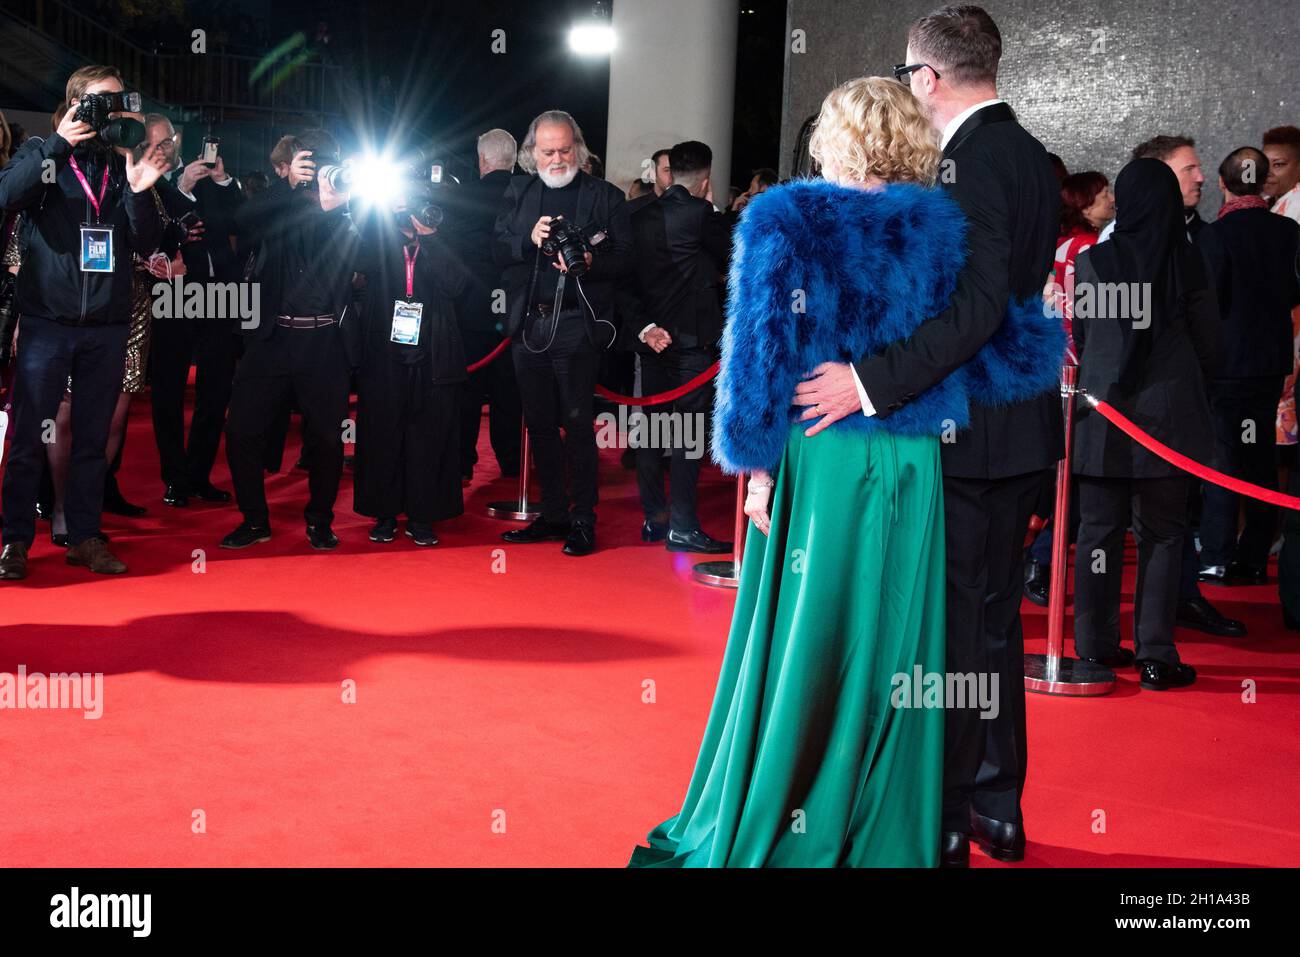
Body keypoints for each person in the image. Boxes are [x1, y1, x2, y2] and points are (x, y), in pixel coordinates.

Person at [629, 75, 1059, 869]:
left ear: (836, 136)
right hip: (913, 460)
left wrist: (754, 466)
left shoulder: (786, 218)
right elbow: (994, 341)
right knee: (898, 644)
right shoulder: (940, 225)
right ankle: (885, 823)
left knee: (809, 637)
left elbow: (758, 351)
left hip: (823, 454)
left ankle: (793, 806)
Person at [791, 4, 1063, 866]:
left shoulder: (966, 165)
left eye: (909, 74)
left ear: (928, 77)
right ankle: (998, 804)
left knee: (948, 630)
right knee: (991, 625)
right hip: (1019, 429)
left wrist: (869, 382)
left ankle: (943, 810)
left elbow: (977, 307)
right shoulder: (1032, 156)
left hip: (965, 429)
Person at [0, 65, 165, 581]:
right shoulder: (44, 153)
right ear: (74, 104)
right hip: (47, 323)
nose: (109, 111)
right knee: (28, 437)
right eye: (98, 101)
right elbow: (7, 195)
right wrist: (57, 144)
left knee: (94, 440)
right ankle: (15, 542)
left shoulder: (124, 164)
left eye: (117, 101)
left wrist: (138, 190)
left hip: (108, 327)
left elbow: (148, 243)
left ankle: (85, 537)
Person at [1072, 159, 1224, 690]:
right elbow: (1210, 345)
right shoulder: (1190, 261)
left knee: (1097, 535)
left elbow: (1086, 340)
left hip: (1101, 416)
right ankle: (1156, 654)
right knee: (1163, 537)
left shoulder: (1091, 263)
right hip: (1168, 422)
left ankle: (1093, 645)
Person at [493, 110, 632, 557]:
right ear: (533, 152)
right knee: (538, 424)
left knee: (576, 424)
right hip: (528, 324)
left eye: (566, 149)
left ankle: (583, 519)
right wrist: (525, 240)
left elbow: (628, 260)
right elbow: (494, 249)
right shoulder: (518, 191)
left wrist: (591, 263)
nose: (558, 158)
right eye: (548, 151)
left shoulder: (604, 196)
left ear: (579, 148)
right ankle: (552, 514)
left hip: (575, 323)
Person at [220, 128, 360, 551]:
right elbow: (240, 220)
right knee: (241, 431)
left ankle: (320, 520)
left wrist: (336, 205)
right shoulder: (277, 204)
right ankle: (255, 520)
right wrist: (288, 185)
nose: (315, 170)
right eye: (306, 162)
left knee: (328, 439)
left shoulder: (346, 205)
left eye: (320, 163)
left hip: (325, 341)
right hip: (272, 337)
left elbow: (362, 252)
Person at [1196, 147, 1300, 585]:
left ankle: (1217, 554)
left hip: (1226, 363)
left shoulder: (1215, 235)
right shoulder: (1287, 231)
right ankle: (1254, 555)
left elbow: (1211, 298)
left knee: (1222, 459)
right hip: (1270, 361)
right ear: (1262, 183)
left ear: (1223, 183)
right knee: (1258, 458)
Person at [626, 139, 731, 553]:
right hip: (692, 344)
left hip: (651, 338)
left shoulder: (636, 215)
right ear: (706, 179)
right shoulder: (704, 218)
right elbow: (732, 262)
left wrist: (645, 326)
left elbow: (624, 282)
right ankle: (683, 526)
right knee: (686, 436)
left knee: (652, 430)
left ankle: (654, 518)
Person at [352, 187, 469, 546]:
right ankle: (384, 513)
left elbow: (457, 284)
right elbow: (360, 261)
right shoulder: (379, 236)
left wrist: (430, 236)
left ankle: (423, 515)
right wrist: (385, 215)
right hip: (381, 350)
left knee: (429, 434)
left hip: (433, 350)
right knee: (382, 433)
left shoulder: (445, 236)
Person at [1024, 171, 1112, 604]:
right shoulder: (1091, 248)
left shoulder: (1053, 245)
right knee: (1072, 478)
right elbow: (1089, 313)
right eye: (1103, 193)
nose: (1111, 199)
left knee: (1056, 471)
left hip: (1050, 363)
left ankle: (1035, 555)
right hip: (1079, 367)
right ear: (1083, 202)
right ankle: (1041, 560)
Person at [150, 118, 244, 509]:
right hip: (174, 294)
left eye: (170, 141)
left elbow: (242, 222)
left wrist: (221, 182)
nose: (165, 148)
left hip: (221, 295)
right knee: (168, 391)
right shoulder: (151, 184)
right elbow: (152, 236)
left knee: (216, 389)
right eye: (158, 142)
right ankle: (175, 478)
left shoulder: (214, 183)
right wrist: (182, 188)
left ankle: (199, 474)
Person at [450, 128, 521, 483]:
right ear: (514, 158)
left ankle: (461, 463)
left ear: (482, 160)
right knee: (512, 392)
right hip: (518, 308)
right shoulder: (529, 195)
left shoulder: (460, 197)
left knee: (467, 392)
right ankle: (512, 463)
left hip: (470, 306)